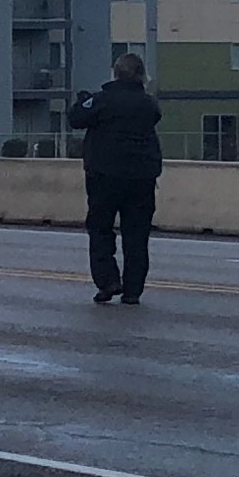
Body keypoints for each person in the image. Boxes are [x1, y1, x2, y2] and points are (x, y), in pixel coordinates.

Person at [71, 53, 163, 305]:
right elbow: (154, 115)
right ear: (141, 75)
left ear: (115, 73)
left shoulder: (102, 101)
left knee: (100, 229)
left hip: (104, 176)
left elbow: (76, 119)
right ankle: (133, 290)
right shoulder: (148, 104)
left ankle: (107, 280)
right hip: (141, 177)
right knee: (136, 234)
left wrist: (83, 102)